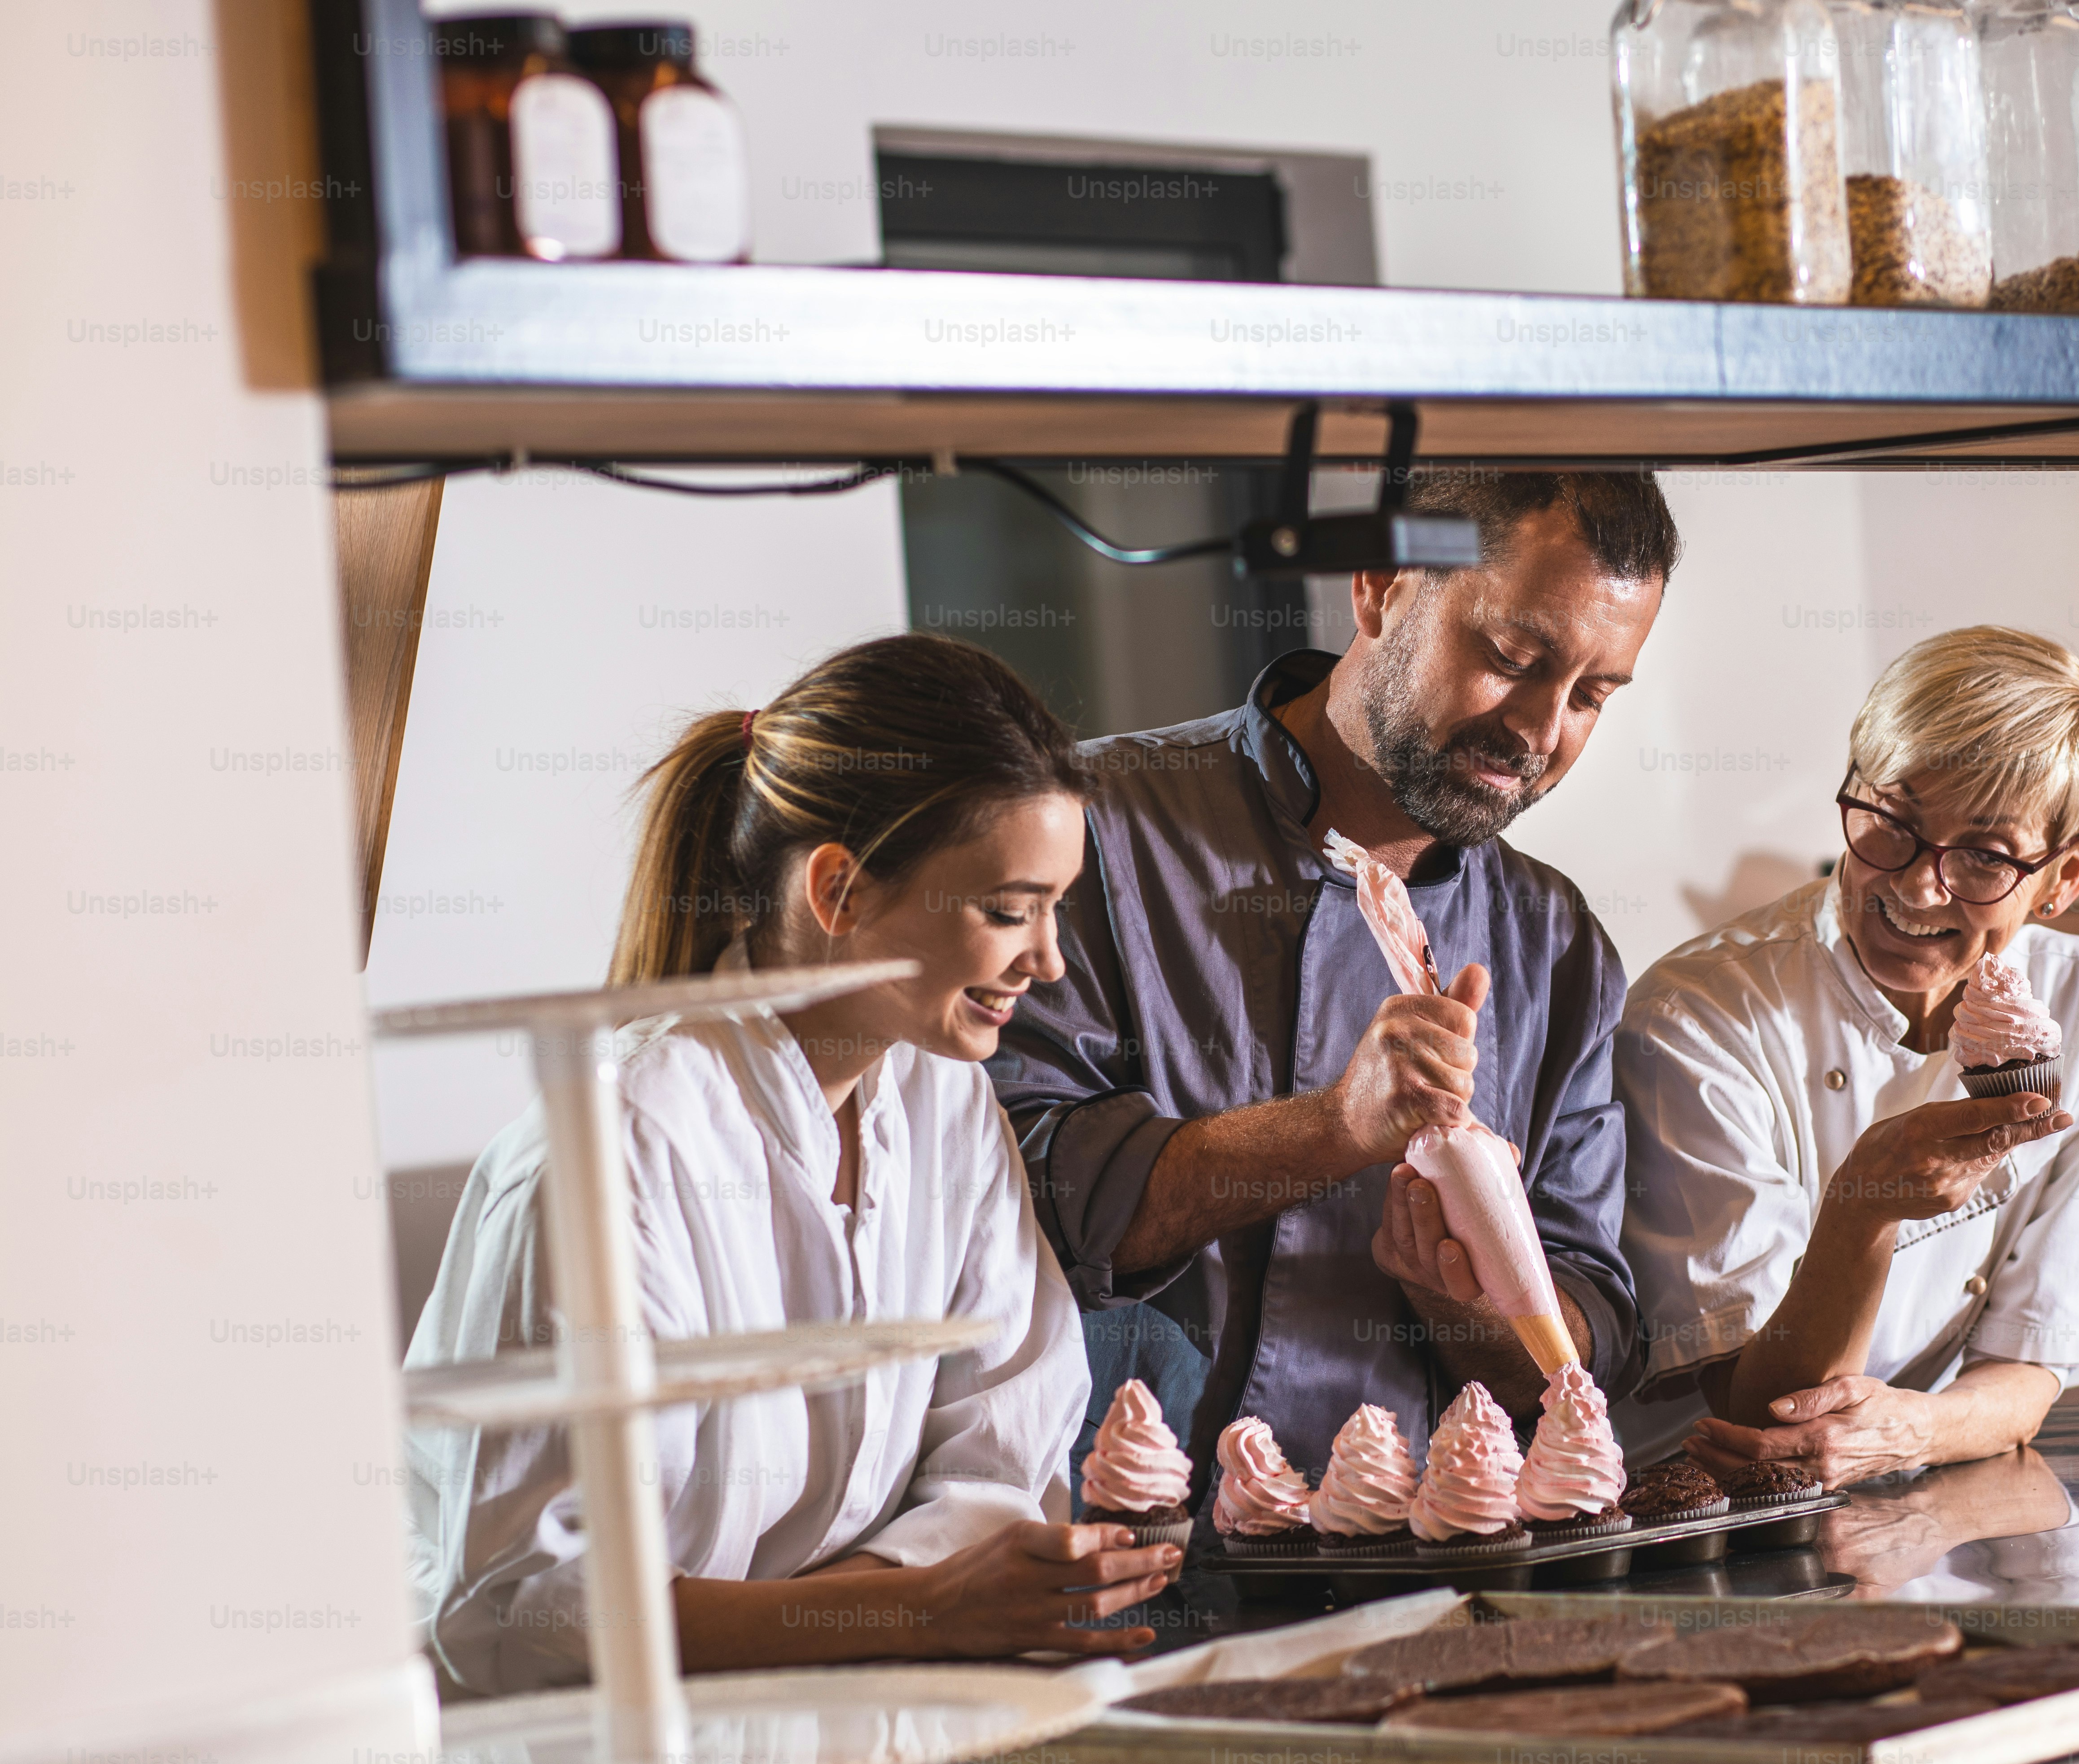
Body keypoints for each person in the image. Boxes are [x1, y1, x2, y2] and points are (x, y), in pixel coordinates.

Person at [406, 635, 1176, 1696]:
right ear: (840, 891)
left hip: (839, 1723)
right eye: (1008, 910)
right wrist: (911, 1611)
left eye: (1057, 906)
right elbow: (524, 1608)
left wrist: (880, 1621)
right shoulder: (617, 1150)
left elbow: (1003, 1449)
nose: (1046, 961)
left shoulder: (944, 1105)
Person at [991, 472, 1679, 1476]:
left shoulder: (1553, 941)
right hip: (1124, 1570)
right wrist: (1332, 1130)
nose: (1538, 731)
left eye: (1588, 695)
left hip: (1427, 1563)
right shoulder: (1091, 833)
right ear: (1380, 587)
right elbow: (1015, 1193)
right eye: (1510, 658)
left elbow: (1584, 1342)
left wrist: (1467, 1300)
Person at [1616, 625, 2079, 1487]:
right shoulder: (1701, 1017)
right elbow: (1761, 1410)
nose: (1914, 887)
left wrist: (1920, 1430)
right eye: (1893, 822)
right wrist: (1864, 1205)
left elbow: (2037, 1357)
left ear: (2066, 878)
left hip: (1906, 1487)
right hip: (1696, 1518)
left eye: (1984, 855)